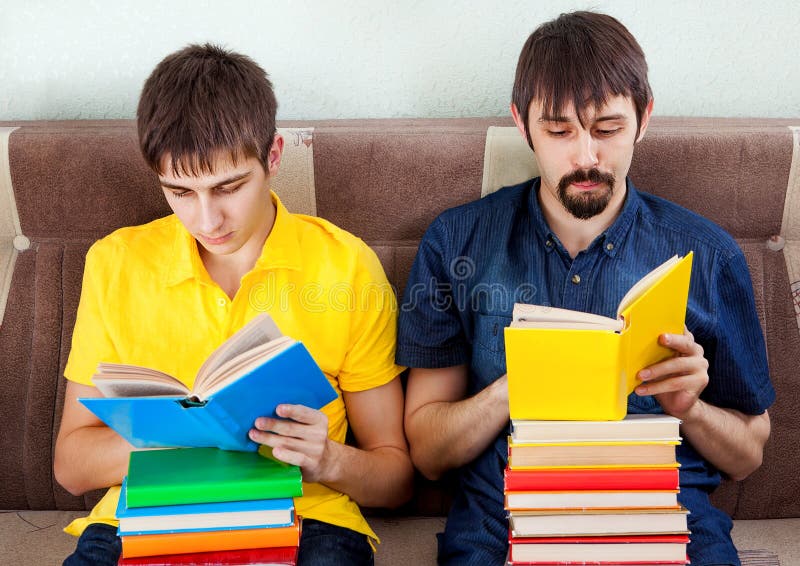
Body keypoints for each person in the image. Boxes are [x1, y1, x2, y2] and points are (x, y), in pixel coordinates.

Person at [397, 11, 774, 566]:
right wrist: (519, 384)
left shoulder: (709, 255)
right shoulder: (457, 241)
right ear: (522, 125)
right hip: (503, 518)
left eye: (607, 129)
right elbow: (427, 453)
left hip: (661, 512)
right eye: (558, 131)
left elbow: (747, 454)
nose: (586, 157)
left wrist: (689, 409)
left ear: (643, 119)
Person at [54, 43, 413, 566]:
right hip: (146, 514)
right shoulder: (116, 264)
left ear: (273, 156)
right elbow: (71, 465)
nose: (207, 220)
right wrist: (175, 436)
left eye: (228, 187)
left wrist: (328, 458)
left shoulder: (346, 267)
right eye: (179, 192)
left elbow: (395, 478)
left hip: (304, 517)